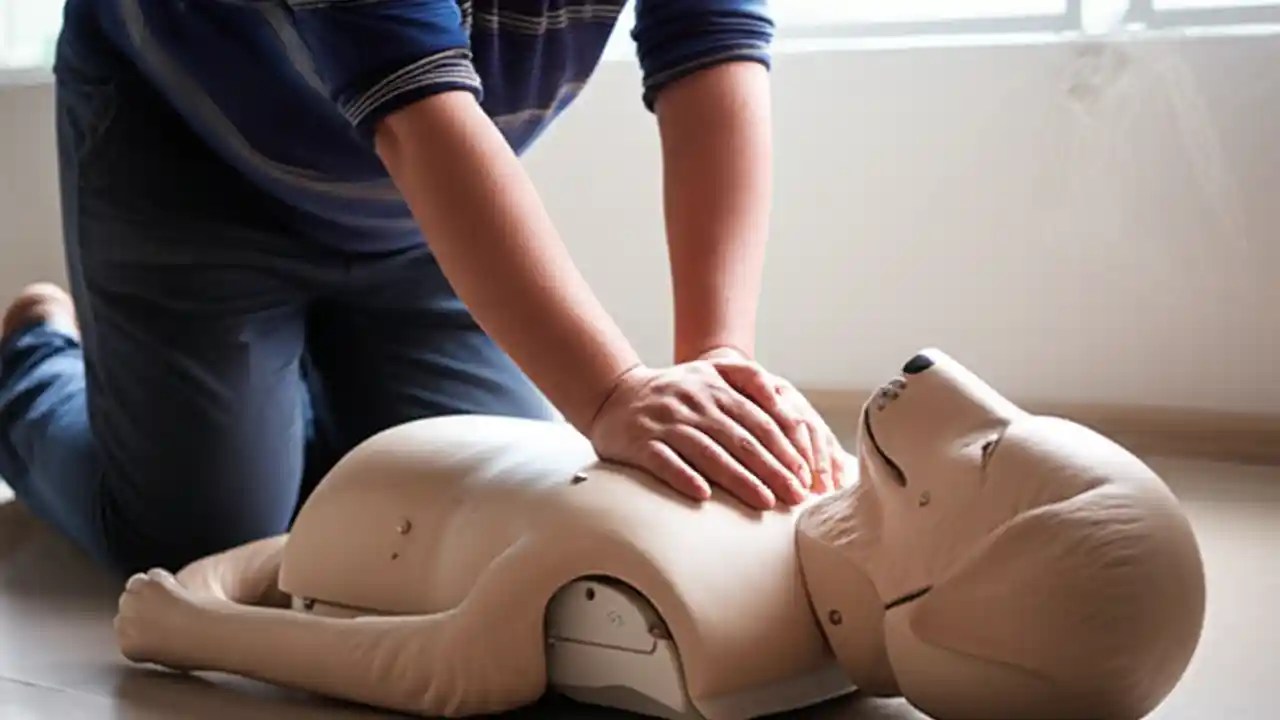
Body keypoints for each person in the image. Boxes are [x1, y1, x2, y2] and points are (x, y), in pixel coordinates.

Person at [0, 0, 847, 578]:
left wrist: (718, 356)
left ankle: (275, 405)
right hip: (193, 170)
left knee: (487, 520)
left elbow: (716, 52)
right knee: (208, 544)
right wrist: (617, 393)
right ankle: (29, 366)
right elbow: (416, 115)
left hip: (413, 219)